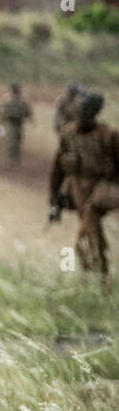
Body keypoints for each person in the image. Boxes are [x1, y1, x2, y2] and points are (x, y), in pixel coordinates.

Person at [48, 92, 119, 274]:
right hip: (78, 188)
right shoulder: (68, 134)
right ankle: (102, 275)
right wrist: (54, 200)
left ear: (95, 113)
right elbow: (58, 169)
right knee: (92, 229)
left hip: (102, 189)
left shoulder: (109, 136)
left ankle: (87, 273)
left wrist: (111, 188)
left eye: (86, 112)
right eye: (80, 111)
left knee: (87, 228)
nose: (81, 115)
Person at [0, 82, 33, 163]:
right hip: (10, 122)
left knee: (19, 139)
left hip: (19, 122)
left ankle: (17, 156)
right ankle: (11, 157)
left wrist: (30, 117)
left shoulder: (24, 98)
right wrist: (2, 118)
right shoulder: (6, 98)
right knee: (10, 140)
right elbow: (1, 108)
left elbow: (28, 109)